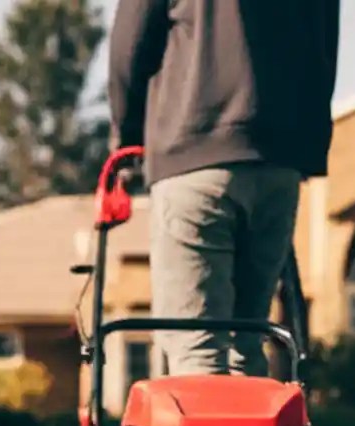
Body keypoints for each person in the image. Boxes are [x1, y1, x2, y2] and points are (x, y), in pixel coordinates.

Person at [108, 0, 340, 377]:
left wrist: (127, 137)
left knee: (197, 346)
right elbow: (324, 50)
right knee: (246, 341)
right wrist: (303, 148)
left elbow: (130, 46)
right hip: (277, 162)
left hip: (193, 152)